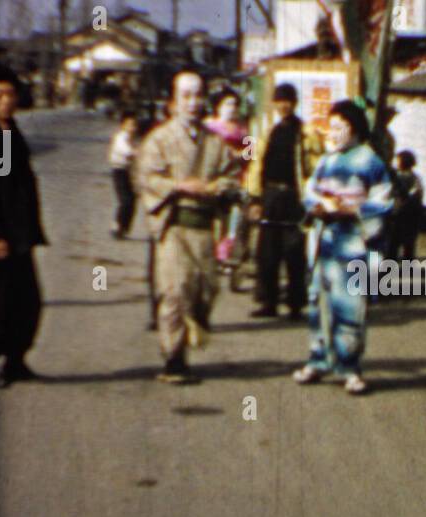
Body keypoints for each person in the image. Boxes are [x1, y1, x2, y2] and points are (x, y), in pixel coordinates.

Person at [136, 71, 239, 384]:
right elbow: (147, 179)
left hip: (204, 228)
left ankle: (186, 338)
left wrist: (216, 187)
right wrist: (180, 186)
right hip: (174, 226)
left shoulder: (215, 142)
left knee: (203, 291)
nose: (193, 102)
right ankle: (173, 358)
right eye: (186, 95)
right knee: (174, 293)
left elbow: (231, 175)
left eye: (198, 95)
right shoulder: (159, 139)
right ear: (173, 101)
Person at [293, 100, 394, 395]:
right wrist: (319, 206)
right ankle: (318, 358)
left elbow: (383, 201)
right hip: (325, 239)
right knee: (319, 302)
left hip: (353, 242)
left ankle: (349, 367)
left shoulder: (370, 161)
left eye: (340, 127)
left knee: (350, 305)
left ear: (355, 128)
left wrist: (352, 210)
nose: (334, 133)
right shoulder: (326, 160)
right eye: (332, 127)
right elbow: (309, 192)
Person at [0, 68, 49, 388]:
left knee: (29, 301)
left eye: (12, 95)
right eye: (1, 96)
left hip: (21, 234)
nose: (8, 101)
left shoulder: (13, 131)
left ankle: (16, 360)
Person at [244, 83, 323, 320]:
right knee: (266, 253)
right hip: (270, 196)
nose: (283, 105)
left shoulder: (307, 133)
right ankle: (268, 302)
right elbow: (257, 166)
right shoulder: (268, 132)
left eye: (287, 100)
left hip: (294, 197)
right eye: (279, 101)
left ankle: (296, 304)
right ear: (274, 104)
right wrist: (255, 198)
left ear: (295, 103)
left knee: (294, 252)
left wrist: (312, 198)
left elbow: (316, 168)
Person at [204, 87, 251, 292]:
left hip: (236, 180)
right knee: (214, 222)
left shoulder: (244, 130)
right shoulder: (209, 126)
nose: (232, 109)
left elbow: (250, 154)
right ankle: (213, 258)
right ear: (218, 107)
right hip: (214, 180)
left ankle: (230, 258)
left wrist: (240, 155)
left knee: (235, 222)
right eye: (227, 104)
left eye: (234, 104)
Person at [108, 111, 139, 239]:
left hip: (127, 171)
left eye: (134, 125)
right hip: (118, 171)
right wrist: (137, 152)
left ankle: (124, 228)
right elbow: (126, 151)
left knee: (132, 200)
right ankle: (117, 225)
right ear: (123, 125)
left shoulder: (131, 139)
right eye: (129, 125)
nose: (132, 128)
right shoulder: (120, 137)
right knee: (125, 200)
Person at [387, 150, 423, 261]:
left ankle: (389, 269)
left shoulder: (399, 178)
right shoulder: (416, 178)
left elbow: (393, 194)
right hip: (412, 215)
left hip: (398, 214)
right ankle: (409, 268)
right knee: (409, 245)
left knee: (393, 244)